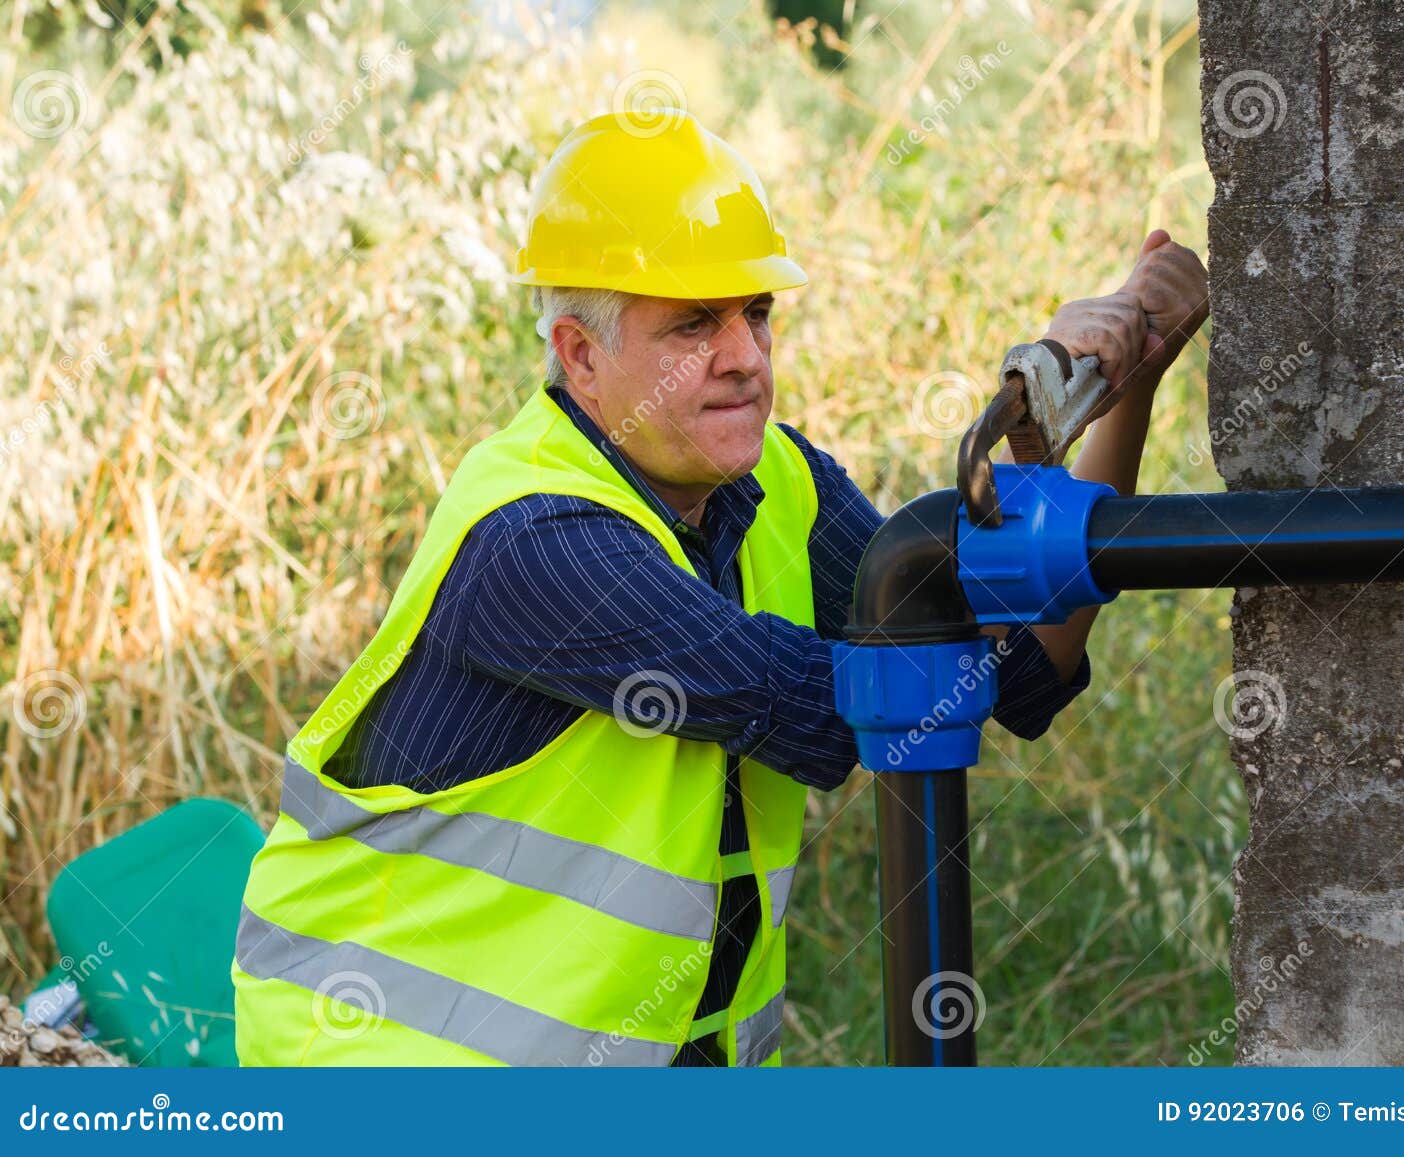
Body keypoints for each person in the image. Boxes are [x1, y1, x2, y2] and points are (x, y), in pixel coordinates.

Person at [231, 108, 1209, 1067]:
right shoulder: (533, 542)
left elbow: (1018, 671)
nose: (743, 356)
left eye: (756, 313)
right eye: (693, 324)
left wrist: (1112, 397)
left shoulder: (777, 484)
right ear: (580, 354)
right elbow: (862, 705)